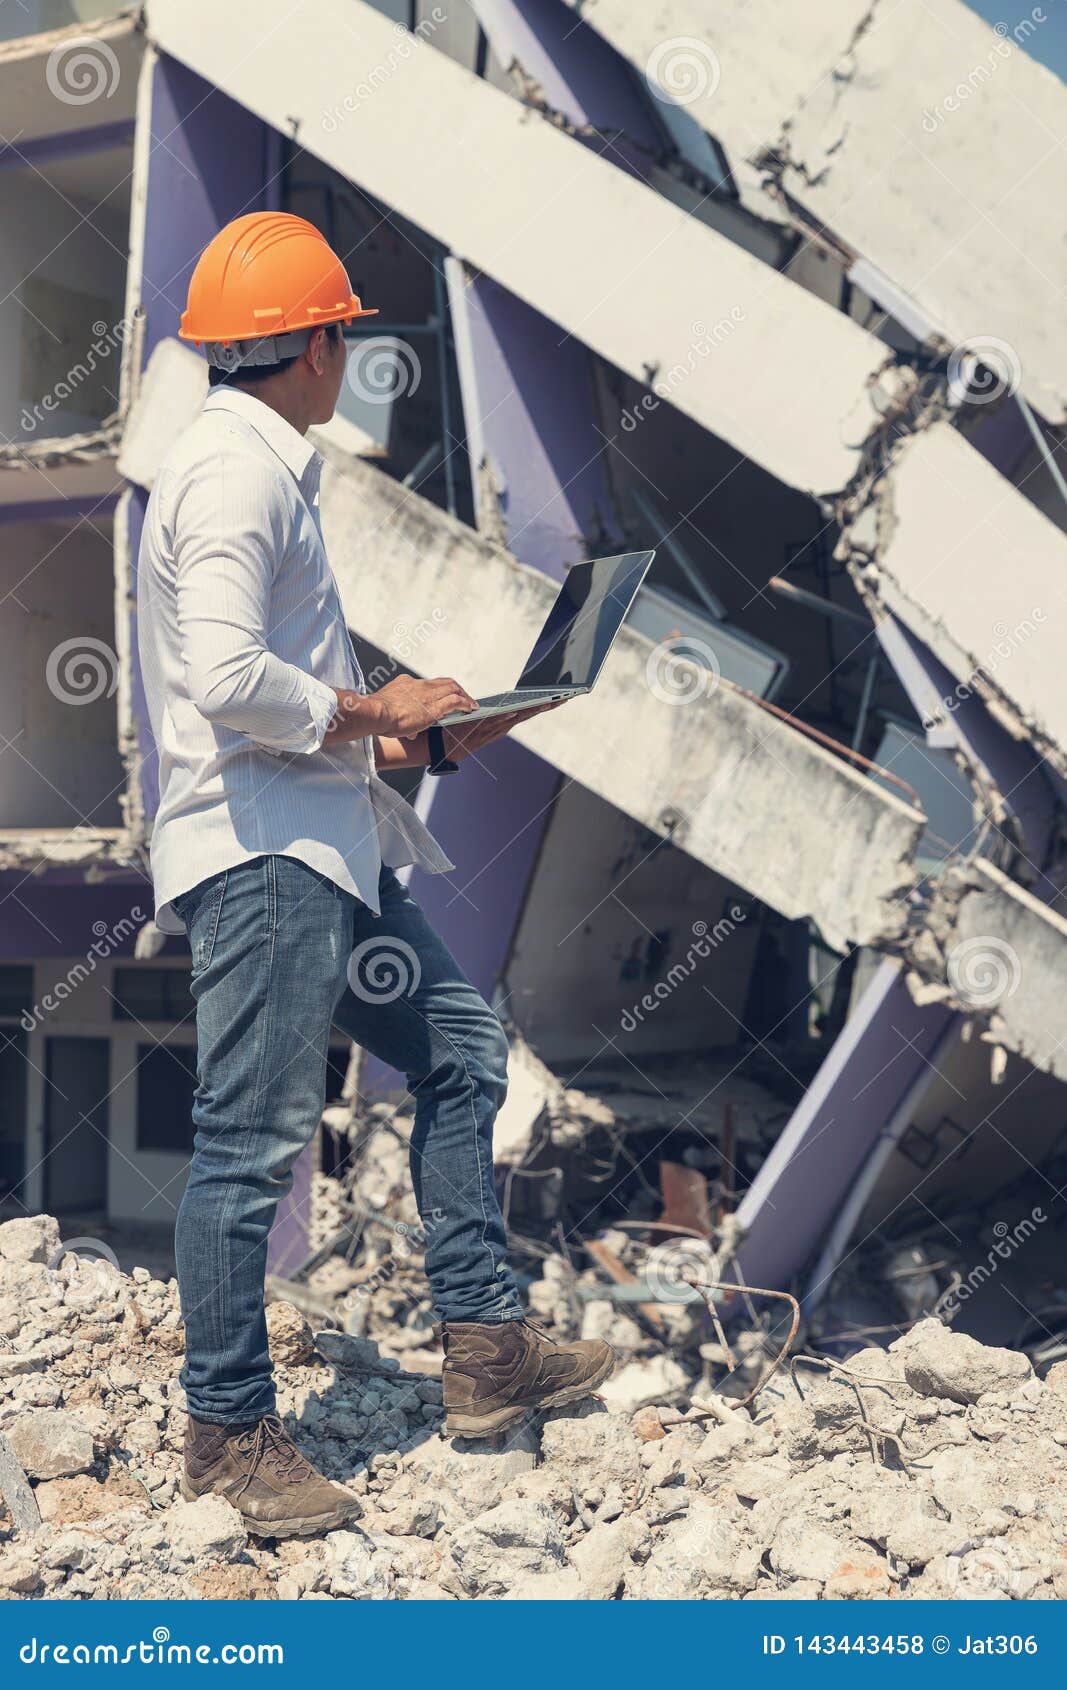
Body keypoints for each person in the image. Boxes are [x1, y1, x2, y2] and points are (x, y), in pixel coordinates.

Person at [136, 213, 614, 1539]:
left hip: (326, 852)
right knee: (248, 1148)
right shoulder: (233, 476)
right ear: (317, 343)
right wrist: (376, 706)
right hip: (267, 859)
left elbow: (266, 685)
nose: (350, 353)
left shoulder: (255, 462)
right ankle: (228, 1438)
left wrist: (415, 728)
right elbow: (231, 683)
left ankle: (484, 1354)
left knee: (461, 1051)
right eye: (346, 331)